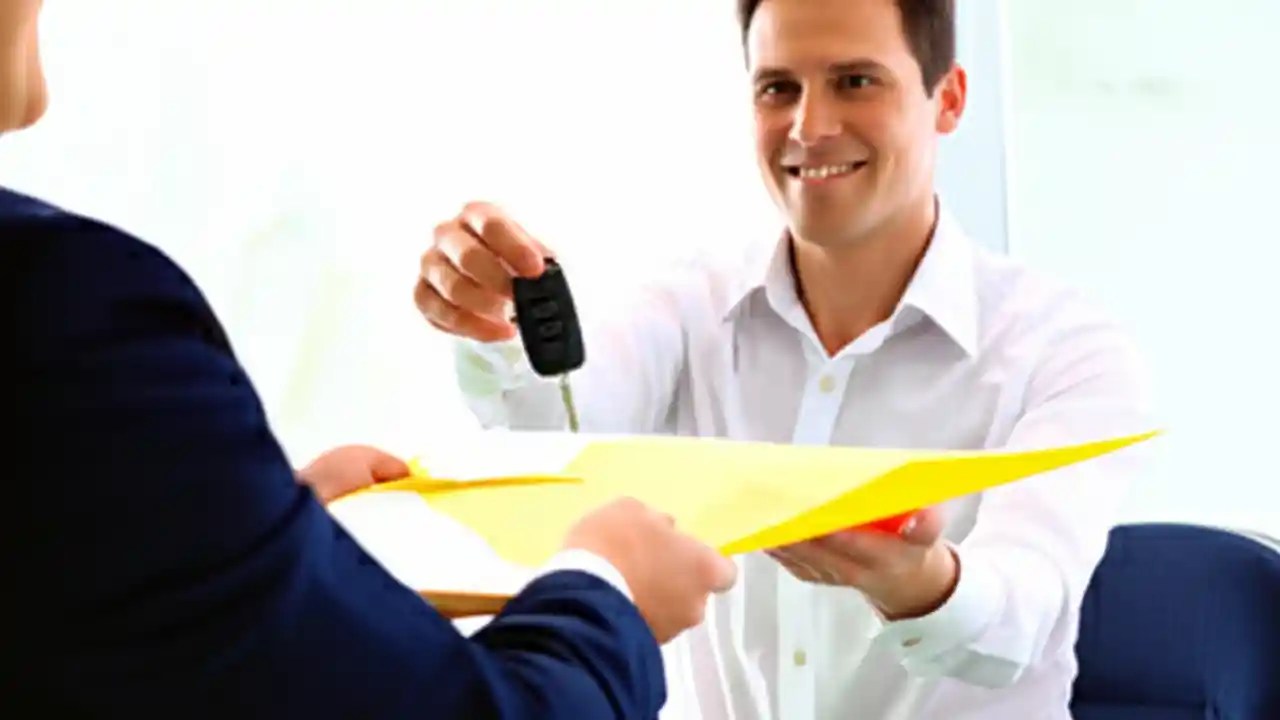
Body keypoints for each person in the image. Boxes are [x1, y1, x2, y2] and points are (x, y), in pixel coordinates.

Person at [414, 0, 1153, 717]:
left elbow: (1023, 616)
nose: (810, 126)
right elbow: (557, 429)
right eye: (779, 88)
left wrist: (918, 583)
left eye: (855, 81)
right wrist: (491, 330)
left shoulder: (1068, 353)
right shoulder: (690, 305)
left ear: (948, 99)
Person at [2, 0, 738, 717]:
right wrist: (608, 591)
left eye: (856, 81)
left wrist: (258, 534)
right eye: (777, 86)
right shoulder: (64, 306)